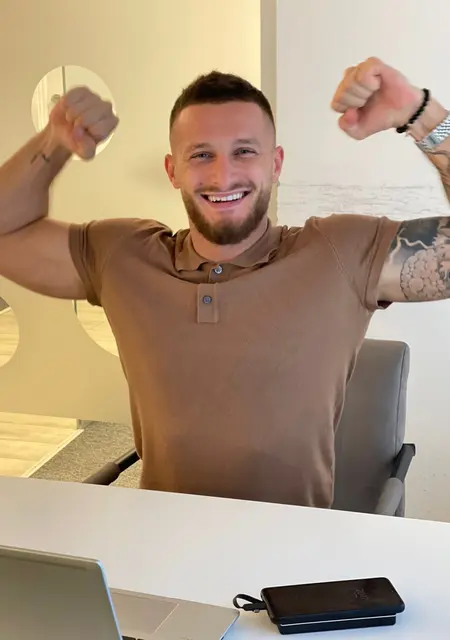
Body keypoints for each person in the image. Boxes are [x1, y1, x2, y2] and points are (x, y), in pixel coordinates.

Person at [0, 57, 449, 508]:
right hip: (161, 536)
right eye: (201, 155)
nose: (222, 176)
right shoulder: (121, 254)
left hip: (289, 543)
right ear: (173, 170)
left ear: (275, 164)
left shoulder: (340, 252)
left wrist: (420, 114)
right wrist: (54, 141)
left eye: (244, 151)